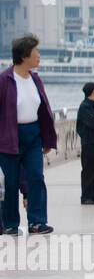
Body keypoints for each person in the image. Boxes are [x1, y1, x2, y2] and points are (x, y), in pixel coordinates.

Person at [0, 34, 57, 235]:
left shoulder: (35, 79)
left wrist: (47, 138)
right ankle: (10, 224)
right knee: (11, 181)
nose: (39, 56)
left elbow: (44, 110)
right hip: (10, 137)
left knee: (36, 177)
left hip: (33, 135)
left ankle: (37, 221)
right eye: (36, 52)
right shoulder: (5, 79)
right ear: (25, 55)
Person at [76, 82, 94, 205]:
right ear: (93, 91)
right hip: (88, 143)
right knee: (88, 169)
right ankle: (86, 196)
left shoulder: (93, 105)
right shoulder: (85, 106)